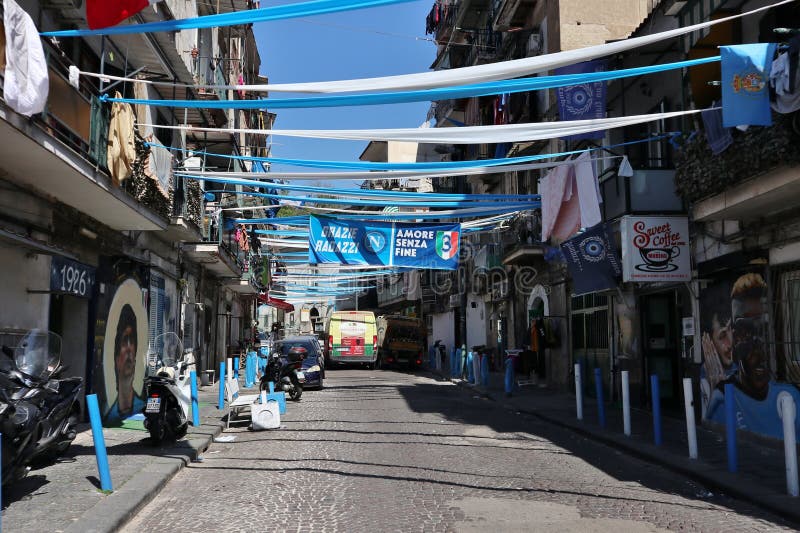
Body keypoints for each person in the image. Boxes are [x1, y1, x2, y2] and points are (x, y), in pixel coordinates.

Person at [706, 273, 800, 438]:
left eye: (763, 329)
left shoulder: (790, 396)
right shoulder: (723, 398)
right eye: (748, 331)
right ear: (735, 336)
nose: (758, 345)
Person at [107, 304, 145, 420]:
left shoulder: (142, 405)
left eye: (132, 340)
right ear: (117, 359)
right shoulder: (109, 412)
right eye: (124, 341)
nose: (129, 348)